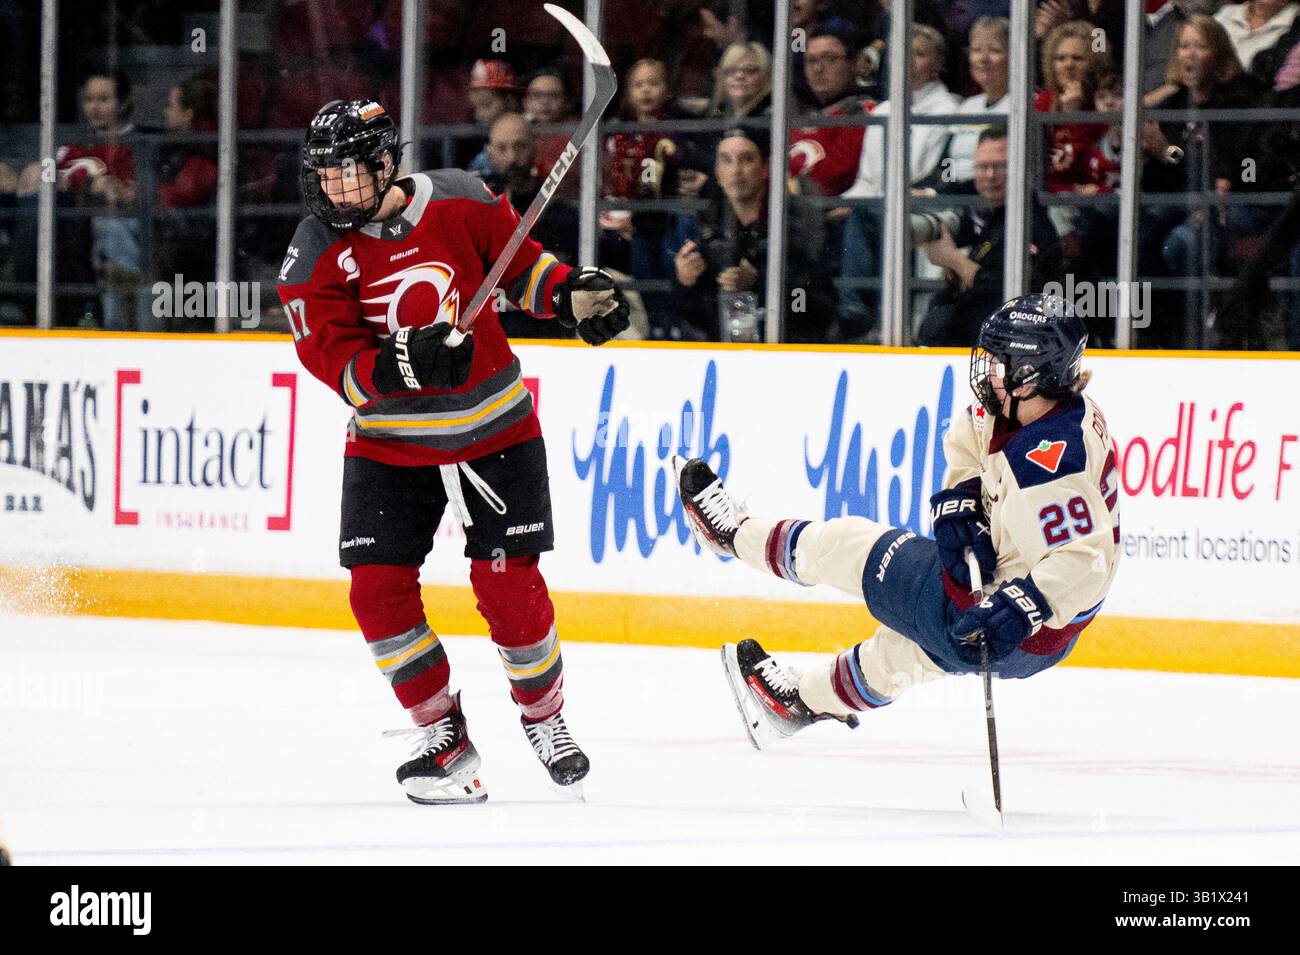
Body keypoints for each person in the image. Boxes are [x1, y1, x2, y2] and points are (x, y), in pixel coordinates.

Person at [276, 100, 630, 804]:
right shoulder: (314, 250)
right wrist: (401, 364)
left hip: (495, 430)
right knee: (375, 589)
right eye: (326, 176)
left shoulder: (463, 199)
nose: (334, 192)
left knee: (509, 589)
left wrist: (571, 295)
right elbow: (335, 361)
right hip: (389, 443)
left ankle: (544, 717)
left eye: (349, 174)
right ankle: (443, 732)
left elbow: (523, 271)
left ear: (386, 164)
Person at [675, 293, 1120, 747]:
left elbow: (1085, 561)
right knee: (909, 651)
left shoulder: (1049, 460)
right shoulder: (1034, 407)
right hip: (1039, 639)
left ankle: (733, 535)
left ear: (1031, 375)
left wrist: (1020, 608)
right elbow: (974, 433)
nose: (987, 372)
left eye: (1000, 363)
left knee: (852, 547)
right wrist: (963, 497)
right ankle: (801, 702)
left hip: (1013, 620)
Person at [670, 128, 831, 342]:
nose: (736, 170)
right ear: (717, 173)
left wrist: (760, 285)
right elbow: (690, 318)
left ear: (765, 168)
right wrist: (684, 283)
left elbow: (811, 308)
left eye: (746, 159)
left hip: (787, 349)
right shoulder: (702, 224)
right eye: (726, 161)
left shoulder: (797, 219)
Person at [915, 127, 1064, 346]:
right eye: (983, 167)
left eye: (1000, 166)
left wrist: (955, 260)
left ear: (1022, 169)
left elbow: (1012, 295)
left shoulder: (1031, 222)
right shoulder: (991, 216)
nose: (990, 176)